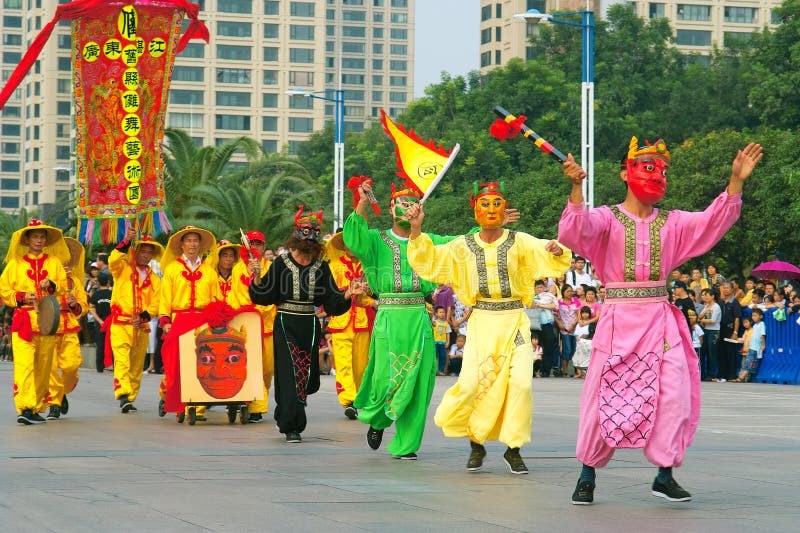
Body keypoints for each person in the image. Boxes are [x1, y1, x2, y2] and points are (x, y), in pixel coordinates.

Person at [559, 136, 762, 504]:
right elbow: (575, 231)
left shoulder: (673, 222)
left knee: (674, 393)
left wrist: (736, 181)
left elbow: (712, 222)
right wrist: (576, 188)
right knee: (603, 394)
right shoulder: (606, 218)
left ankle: (665, 475)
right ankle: (587, 473)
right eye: (648, 167)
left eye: (663, 171)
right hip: (618, 319)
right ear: (625, 173)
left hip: (659, 319)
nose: (657, 175)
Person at [407, 181, 570, 474]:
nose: (491, 209)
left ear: (505, 208)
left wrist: (557, 251)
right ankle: (476, 442)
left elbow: (549, 255)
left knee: (520, 384)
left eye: (497, 203)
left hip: (514, 320)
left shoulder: (520, 241)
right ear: (475, 210)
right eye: (485, 204)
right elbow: (429, 260)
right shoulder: (462, 246)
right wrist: (417, 228)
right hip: (481, 321)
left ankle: (514, 448)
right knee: (474, 384)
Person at [250, 207, 365, 443]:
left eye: (314, 233)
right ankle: (292, 425)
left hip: (310, 326)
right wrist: (257, 276)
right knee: (290, 373)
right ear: (296, 233)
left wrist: (347, 294)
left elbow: (332, 301)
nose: (310, 237)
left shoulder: (321, 267)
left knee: (305, 375)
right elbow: (265, 295)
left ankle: (286, 414)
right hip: (285, 323)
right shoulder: (281, 263)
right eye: (306, 232)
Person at [0, 219, 68, 425]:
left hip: (48, 322)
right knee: (24, 365)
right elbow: (4, 290)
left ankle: (36, 407)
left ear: (46, 240)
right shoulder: (15, 264)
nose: (39, 240)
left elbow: (64, 287)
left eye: (42, 237)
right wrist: (21, 296)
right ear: (27, 240)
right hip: (24, 321)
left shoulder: (54, 263)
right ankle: (26, 408)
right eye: (35, 237)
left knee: (44, 367)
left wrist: (52, 285)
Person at [158, 226, 219, 421]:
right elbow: (165, 297)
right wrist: (165, 320)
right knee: (176, 365)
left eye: (195, 241)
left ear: (200, 245)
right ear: (182, 245)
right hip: (179, 320)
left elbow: (215, 298)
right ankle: (169, 396)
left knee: (202, 363)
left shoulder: (209, 271)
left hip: (203, 321)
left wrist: (217, 318)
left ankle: (196, 408)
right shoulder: (172, 269)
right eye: (189, 240)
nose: (192, 244)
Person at [107, 227, 163, 414]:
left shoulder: (155, 279)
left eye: (149, 252)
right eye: (143, 251)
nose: (146, 255)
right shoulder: (122, 268)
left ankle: (130, 397)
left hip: (142, 326)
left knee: (137, 364)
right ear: (135, 251)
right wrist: (126, 240)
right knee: (122, 360)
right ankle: (123, 394)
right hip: (121, 323)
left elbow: (157, 302)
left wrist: (145, 316)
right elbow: (113, 260)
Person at [323, 232, 375, 419]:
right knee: (343, 363)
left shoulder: (368, 267)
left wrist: (369, 293)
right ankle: (348, 401)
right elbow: (329, 294)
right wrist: (347, 292)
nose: (351, 246)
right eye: (348, 243)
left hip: (361, 321)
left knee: (361, 366)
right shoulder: (333, 267)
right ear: (343, 246)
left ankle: (359, 398)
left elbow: (375, 293)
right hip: (341, 320)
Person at [231, 230, 276, 423]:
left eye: (259, 244)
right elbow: (236, 296)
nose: (255, 247)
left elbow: (273, 295)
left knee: (268, 369)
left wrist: (261, 308)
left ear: (264, 247)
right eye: (252, 244)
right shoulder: (237, 269)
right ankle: (256, 407)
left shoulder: (272, 267)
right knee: (252, 367)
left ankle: (257, 397)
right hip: (247, 325)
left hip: (268, 326)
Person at [46, 238, 89, 420]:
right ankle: (54, 404)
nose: (64, 260)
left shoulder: (75, 282)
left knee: (72, 366)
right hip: (49, 328)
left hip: (69, 327)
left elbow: (84, 306)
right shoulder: (45, 279)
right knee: (50, 368)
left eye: (67, 256)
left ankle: (61, 392)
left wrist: (75, 305)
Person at [532, 280, 559, 377]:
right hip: (535, 325)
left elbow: (555, 306)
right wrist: (537, 303)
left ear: (544, 288)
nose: (539, 289)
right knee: (536, 347)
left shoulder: (549, 296)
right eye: (537, 288)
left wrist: (541, 305)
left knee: (548, 347)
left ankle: (546, 370)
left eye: (541, 287)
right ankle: (535, 370)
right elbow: (530, 306)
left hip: (547, 324)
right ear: (535, 289)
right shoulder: (532, 297)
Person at [89, 272, 113, 372]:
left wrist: (99, 321)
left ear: (98, 282)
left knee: (100, 345)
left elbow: (91, 309)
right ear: (108, 282)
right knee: (113, 344)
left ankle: (100, 367)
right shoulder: (112, 294)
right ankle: (114, 365)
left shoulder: (95, 295)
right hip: (112, 322)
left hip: (100, 324)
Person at [733, 309, 765, 382]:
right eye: (752, 316)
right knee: (748, 363)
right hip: (751, 347)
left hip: (756, 348)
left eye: (755, 316)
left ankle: (741, 378)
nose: (753, 317)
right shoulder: (755, 325)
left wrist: (763, 345)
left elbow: (762, 335)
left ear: (761, 316)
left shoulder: (762, 324)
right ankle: (743, 378)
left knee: (750, 363)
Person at [571, 306, 595, 379]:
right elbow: (576, 333)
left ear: (589, 314)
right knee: (579, 356)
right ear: (581, 314)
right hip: (579, 342)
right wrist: (577, 338)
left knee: (587, 357)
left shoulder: (591, 323)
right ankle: (579, 373)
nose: (585, 314)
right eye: (583, 313)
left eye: (586, 313)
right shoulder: (579, 323)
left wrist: (587, 336)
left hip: (587, 343)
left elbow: (592, 333)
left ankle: (586, 372)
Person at [432, 306, 451, 376]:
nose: (442, 314)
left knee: (443, 357)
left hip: (443, 343)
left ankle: (440, 371)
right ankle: (433, 370)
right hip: (435, 342)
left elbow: (448, 333)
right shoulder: (434, 323)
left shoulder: (446, 324)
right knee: (434, 357)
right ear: (436, 314)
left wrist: (448, 342)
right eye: (440, 312)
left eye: (443, 312)